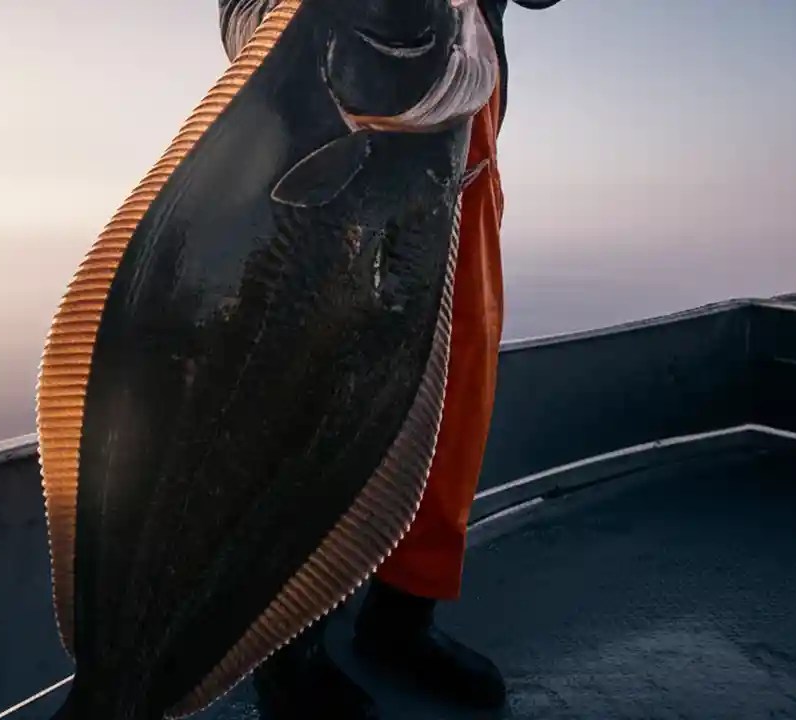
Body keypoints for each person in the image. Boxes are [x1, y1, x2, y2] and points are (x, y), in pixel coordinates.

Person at [217, 1, 565, 717]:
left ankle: (402, 618)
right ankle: (287, 646)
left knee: (458, 383)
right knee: (312, 395)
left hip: (461, 138)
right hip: (324, 139)